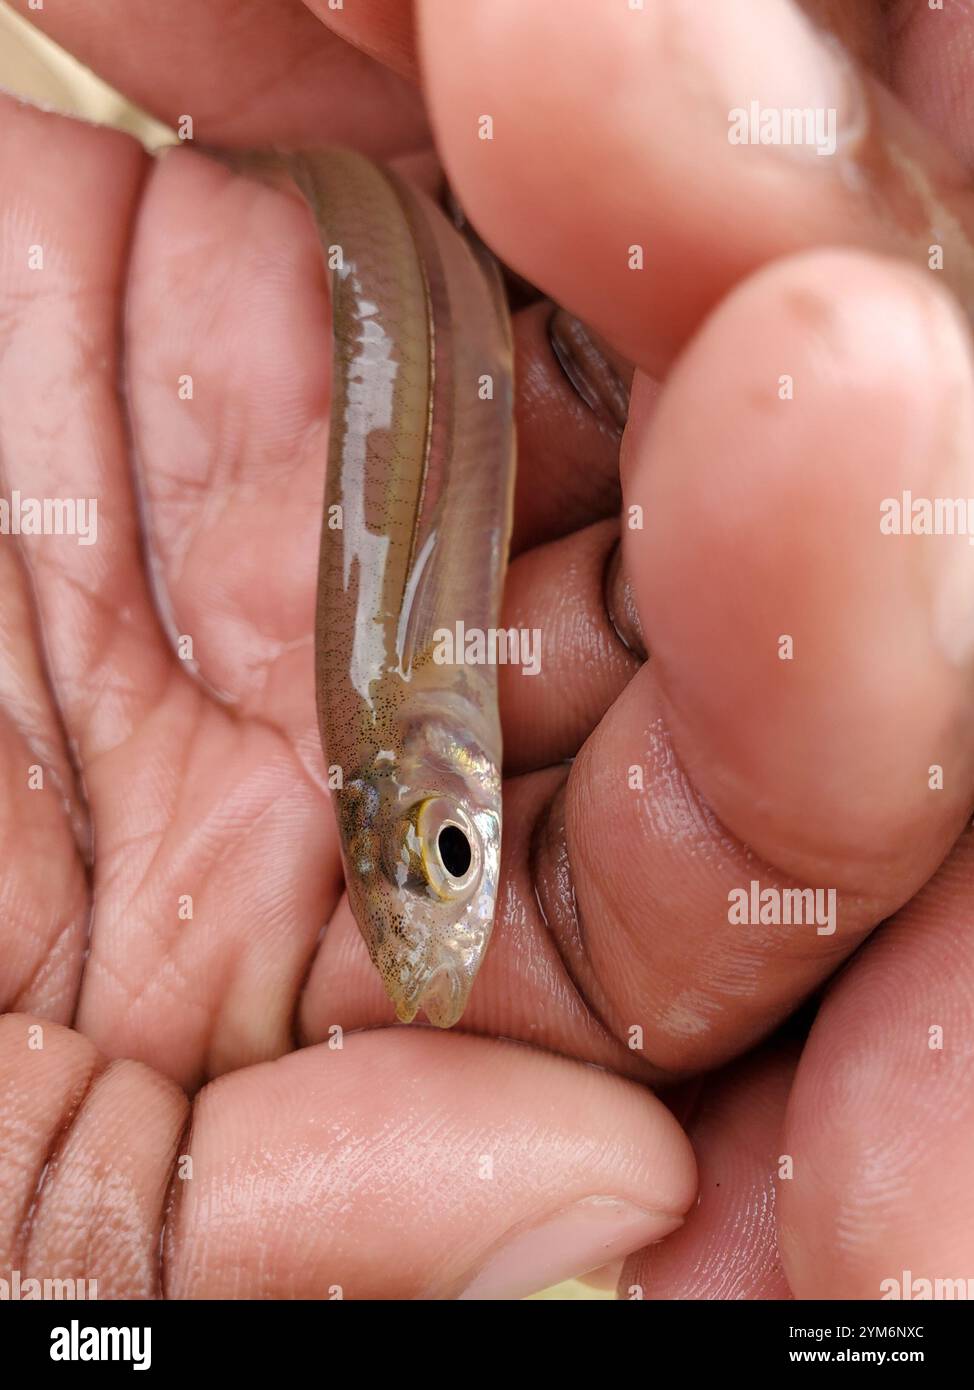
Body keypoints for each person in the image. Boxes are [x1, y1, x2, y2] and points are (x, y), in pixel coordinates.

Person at [0, 0, 972, 1300]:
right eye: (453, 858)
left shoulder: (408, 707)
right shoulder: (408, 725)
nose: (461, 921)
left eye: (447, 850)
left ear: (422, 764)